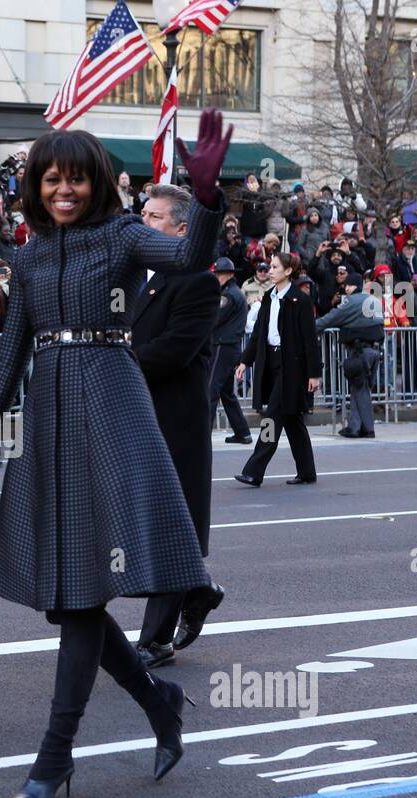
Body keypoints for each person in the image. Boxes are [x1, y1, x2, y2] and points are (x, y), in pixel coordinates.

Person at [0, 112, 231, 798]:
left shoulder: (121, 235)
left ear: (98, 184)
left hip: (111, 402)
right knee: (69, 598)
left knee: (81, 596)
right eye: (51, 178)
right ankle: (159, 701)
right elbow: (9, 358)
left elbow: (187, 259)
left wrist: (204, 201)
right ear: (35, 185)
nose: (63, 189)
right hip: (49, 413)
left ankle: (54, 759)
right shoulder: (25, 256)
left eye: (76, 178)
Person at [124, 183, 228, 671]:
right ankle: (200, 588)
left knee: (168, 528)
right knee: (148, 527)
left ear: (182, 230)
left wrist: (111, 361)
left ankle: (156, 639)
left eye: (155, 217)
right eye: (142, 214)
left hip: (175, 425)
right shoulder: (140, 280)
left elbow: (173, 350)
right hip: (136, 420)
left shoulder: (198, 282)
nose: (144, 223)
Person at [234, 252, 322, 487]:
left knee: (272, 417)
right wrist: (245, 361)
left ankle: (254, 470)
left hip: (292, 367)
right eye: (270, 266)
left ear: (288, 271)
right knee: (292, 419)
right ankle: (307, 471)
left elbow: (310, 339)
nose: (270, 270)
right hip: (270, 362)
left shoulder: (300, 300)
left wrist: (314, 373)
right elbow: (258, 335)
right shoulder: (268, 297)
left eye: (275, 267)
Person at [315, 272, 384, 438]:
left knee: (360, 389)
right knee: (360, 388)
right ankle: (355, 426)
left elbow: (329, 320)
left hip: (359, 351)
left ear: (354, 286)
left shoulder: (351, 302)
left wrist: (305, 327)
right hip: (375, 351)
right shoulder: (374, 300)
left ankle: (367, 429)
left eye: (347, 285)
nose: (345, 288)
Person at [210, 256, 251, 443]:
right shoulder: (233, 292)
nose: (216, 277)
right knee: (226, 393)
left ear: (227, 275)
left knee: (210, 390)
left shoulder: (228, 295)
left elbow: (214, 318)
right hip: (229, 346)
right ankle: (243, 432)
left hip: (223, 346)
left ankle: (202, 434)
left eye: (218, 274)